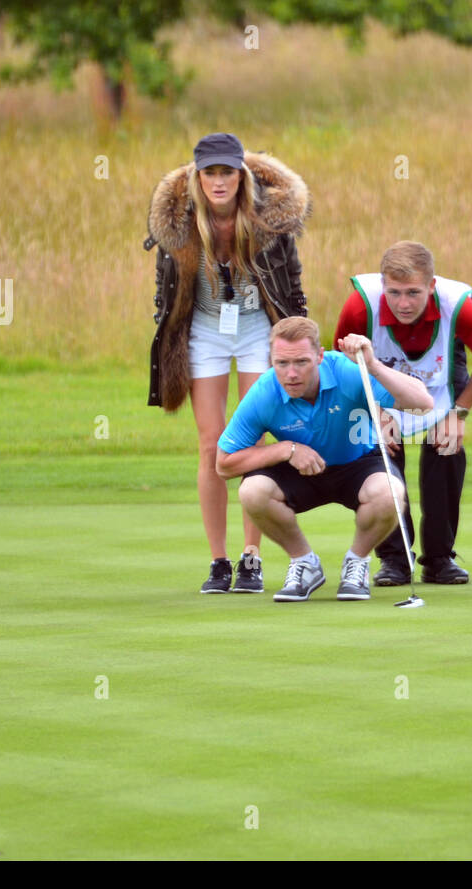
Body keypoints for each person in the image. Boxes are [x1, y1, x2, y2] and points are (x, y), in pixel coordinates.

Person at [144, 133, 311, 595]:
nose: (219, 181)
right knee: (211, 443)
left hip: (259, 327)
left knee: (253, 436)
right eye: (210, 172)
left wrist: (298, 336)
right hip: (205, 330)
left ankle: (251, 557)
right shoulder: (179, 223)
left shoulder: (268, 220)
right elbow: (166, 292)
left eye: (227, 172)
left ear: (242, 175)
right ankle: (218, 561)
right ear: (198, 177)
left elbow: (292, 287)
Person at [215, 317, 434, 602]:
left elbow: (423, 404)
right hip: (300, 470)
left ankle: (357, 562)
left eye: (301, 362)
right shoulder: (264, 392)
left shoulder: (347, 372)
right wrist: (286, 450)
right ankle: (304, 563)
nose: (291, 373)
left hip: (358, 463)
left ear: (319, 356)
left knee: (390, 493)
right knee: (252, 492)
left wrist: (374, 366)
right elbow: (224, 464)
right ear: (271, 361)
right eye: (282, 363)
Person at [334, 241, 472, 585]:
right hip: (382, 389)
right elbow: (339, 366)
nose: (403, 303)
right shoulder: (359, 307)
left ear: (431, 286)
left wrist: (459, 413)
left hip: (440, 385)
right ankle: (396, 559)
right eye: (394, 292)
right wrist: (373, 415)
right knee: (377, 456)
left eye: (413, 292)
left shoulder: (459, 307)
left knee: (446, 448)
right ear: (383, 286)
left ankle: (440, 559)